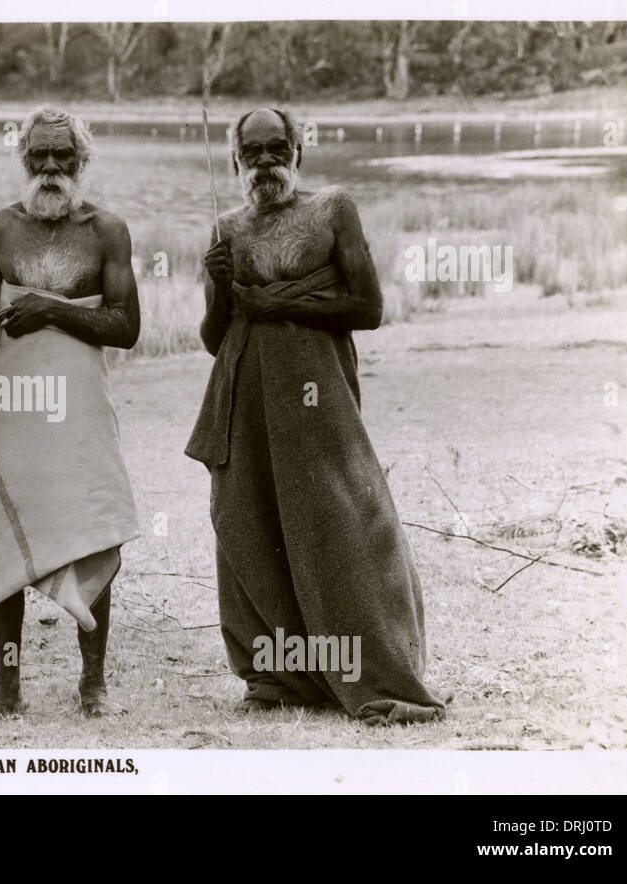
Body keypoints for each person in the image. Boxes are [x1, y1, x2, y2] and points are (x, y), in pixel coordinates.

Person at [187, 107, 448, 725]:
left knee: (341, 519)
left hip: (318, 395)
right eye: (253, 152)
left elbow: (368, 307)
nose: (266, 162)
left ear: (298, 151)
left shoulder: (333, 209)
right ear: (235, 160)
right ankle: (280, 678)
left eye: (278, 148)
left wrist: (282, 301)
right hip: (246, 399)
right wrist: (222, 286)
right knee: (248, 517)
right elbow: (212, 336)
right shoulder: (226, 228)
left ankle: (379, 674)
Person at [0, 106, 141, 720]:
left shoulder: (107, 230)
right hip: (12, 404)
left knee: (92, 524)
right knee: (6, 531)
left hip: (82, 407)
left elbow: (126, 326)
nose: (51, 167)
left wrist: (54, 310)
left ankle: (93, 685)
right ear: (24, 159)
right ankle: (8, 689)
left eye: (64, 157)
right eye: (39, 156)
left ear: (82, 162)